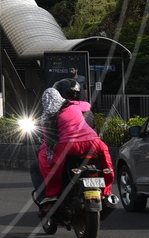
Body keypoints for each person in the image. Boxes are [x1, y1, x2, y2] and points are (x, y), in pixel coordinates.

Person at [36, 77, 113, 208]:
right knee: (107, 166)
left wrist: (49, 151)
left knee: (51, 165)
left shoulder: (48, 116)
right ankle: (106, 192)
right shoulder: (79, 107)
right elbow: (88, 117)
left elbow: (49, 141)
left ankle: (52, 195)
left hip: (68, 146)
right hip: (94, 142)